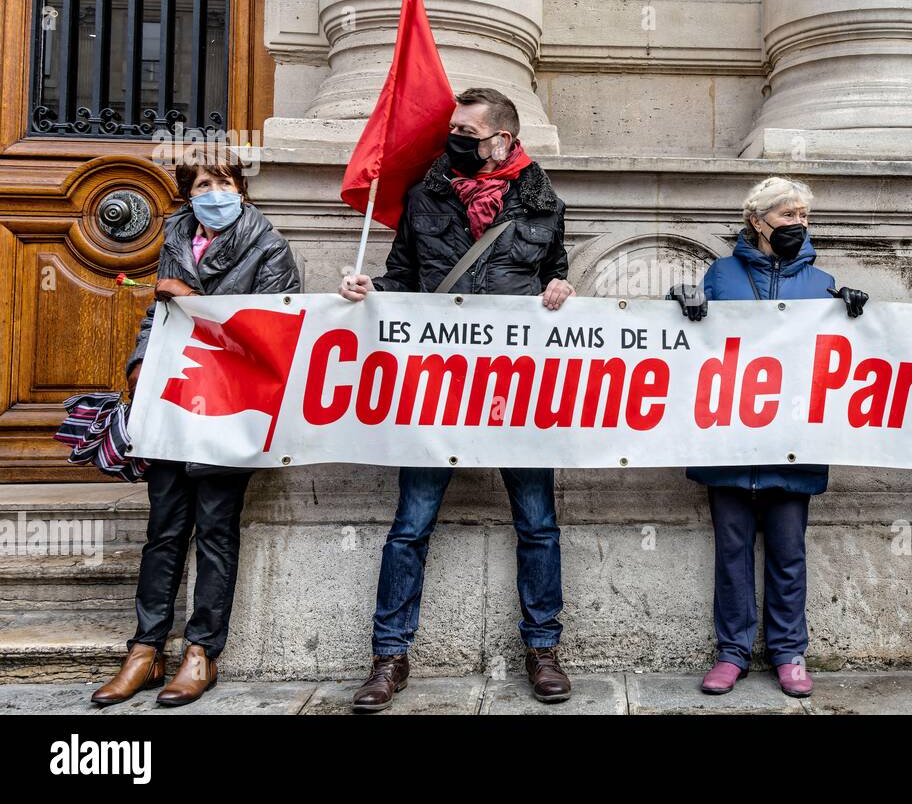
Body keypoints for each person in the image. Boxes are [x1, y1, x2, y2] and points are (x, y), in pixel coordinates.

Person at [340, 87, 576, 709]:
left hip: (517, 386)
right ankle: (389, 658)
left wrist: (560, 287)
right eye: (453, 132)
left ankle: (543, 649)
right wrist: (368, 288)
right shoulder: (426, 195)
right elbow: (403, 277)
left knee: (537, 523)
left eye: (467, 134)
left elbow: (555, 272)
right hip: (437, 386)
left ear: (502, 139)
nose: (455, 141)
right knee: (411, 525)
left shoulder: (542, 204)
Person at [92, 148, 301, 708]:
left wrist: (197, 299)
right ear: (187, 192)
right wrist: (139, 363)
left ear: (241, 189)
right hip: (171, 401)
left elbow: (271, 333)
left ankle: (202, 651)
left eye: (225, 181)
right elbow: (155, 316)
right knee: (163, 529)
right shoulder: (178, 235)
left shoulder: (270, 247)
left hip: (229, 408)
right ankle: (145, 649)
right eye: (203, 182)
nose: (214, 191)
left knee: (214, 531)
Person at [668, 176, 868, 698]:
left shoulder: (823, 282)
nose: (798, 225)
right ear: (757, 222)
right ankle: (731, 653)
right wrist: (678, 304)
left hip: (793, 442)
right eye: (787, 216)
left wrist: (857, 317)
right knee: (731, 551)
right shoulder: (720, 274)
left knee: (788, 553)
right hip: (729, 441)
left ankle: (788, 652)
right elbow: (683, 343)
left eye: (804, 216)